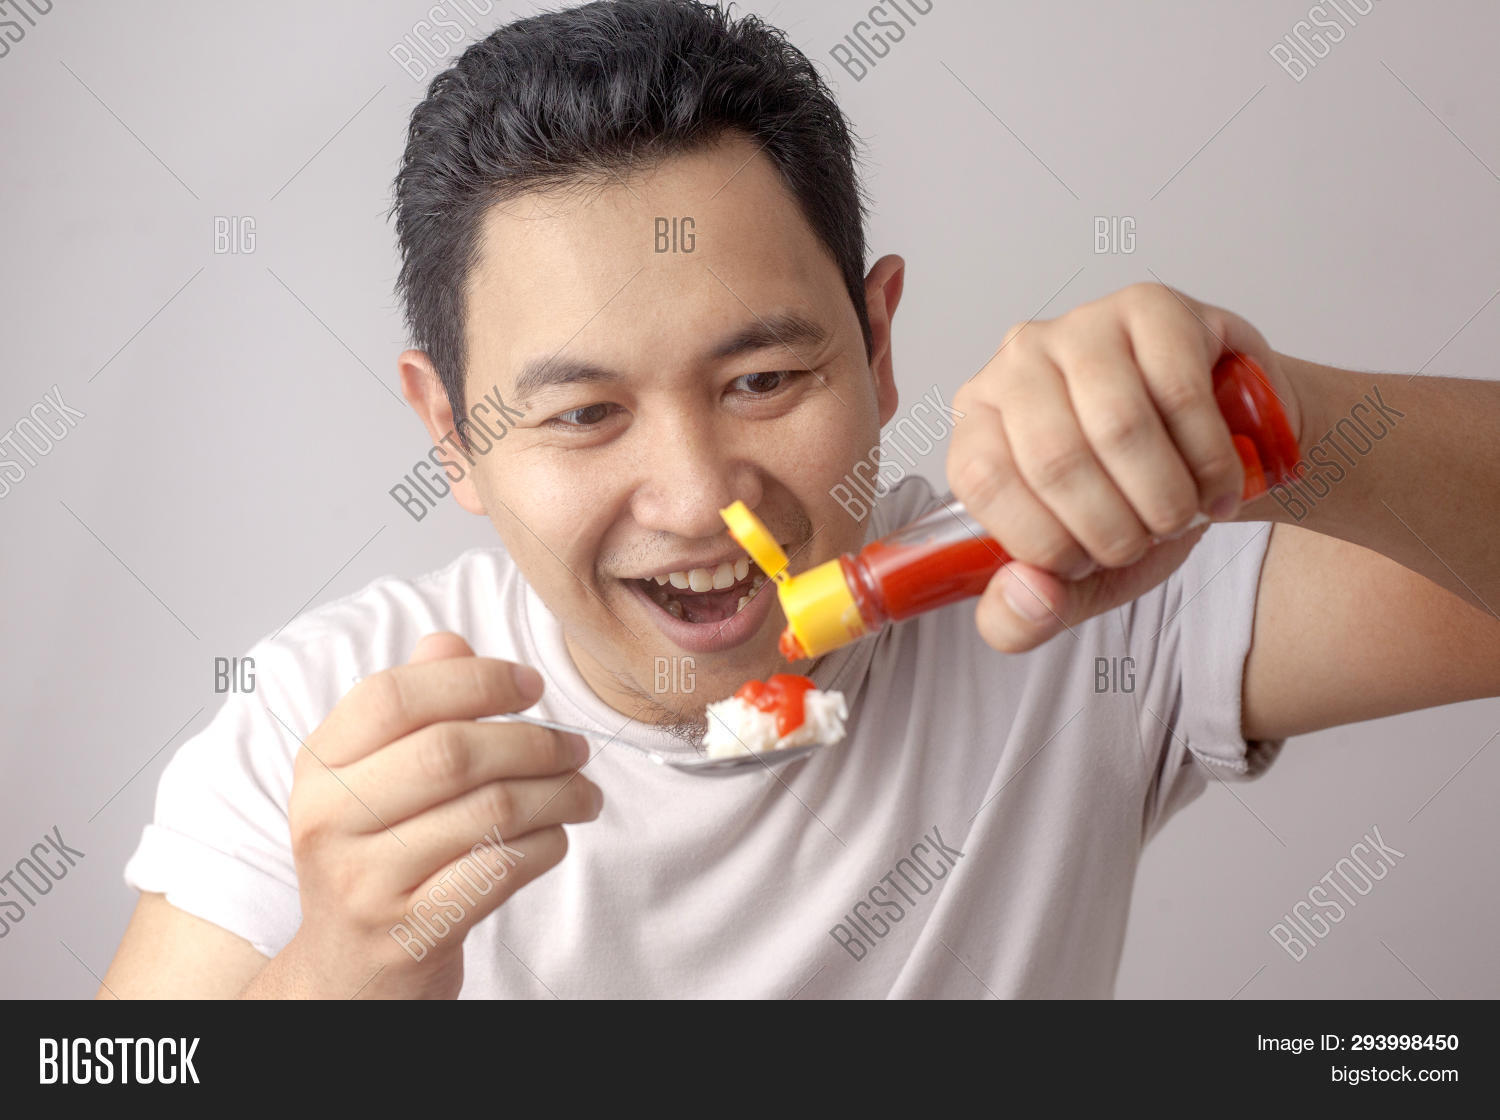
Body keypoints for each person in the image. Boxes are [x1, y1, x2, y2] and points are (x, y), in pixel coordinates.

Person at [101, 0, 1499, 998]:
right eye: (585, 414)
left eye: (764, 378)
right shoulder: (321, 721)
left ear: (882, 347)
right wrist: (338, 979)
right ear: (449, 434)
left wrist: (1284, 424)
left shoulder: (1072, 592)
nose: (704, 497)